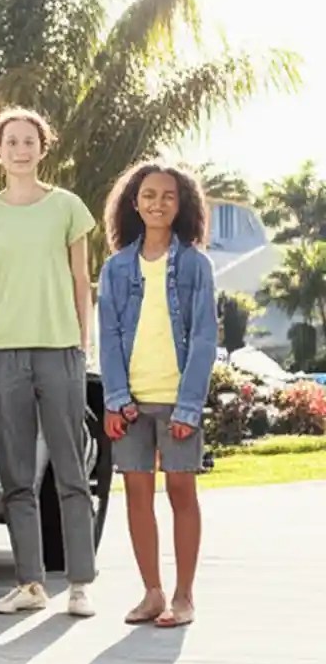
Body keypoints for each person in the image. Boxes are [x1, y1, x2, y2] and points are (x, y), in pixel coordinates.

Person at [0, 108, 99, 617]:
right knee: (16, 475)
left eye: (29, 141)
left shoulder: (67, 207)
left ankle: (80, 585)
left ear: (43, 147)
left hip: (60, 350)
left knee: (70, 471)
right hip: (2, 354)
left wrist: (81, 342)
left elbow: (80, 279)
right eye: (12, 142)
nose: (21, 150)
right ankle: (29, 585)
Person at [97, 160, 216, 629]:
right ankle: (152, 592)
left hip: (177, 399)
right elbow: (108, 337)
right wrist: (114, 400)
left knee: (182, 490)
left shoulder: (195, 265)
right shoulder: (115, 268)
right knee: (137, 494)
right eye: (149, 195)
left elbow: (203, 337)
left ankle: (184, 596)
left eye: (168, 195)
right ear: (134, 203)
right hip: (130, 402)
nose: (158, 203)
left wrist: (189, 406)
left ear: (182, 204)